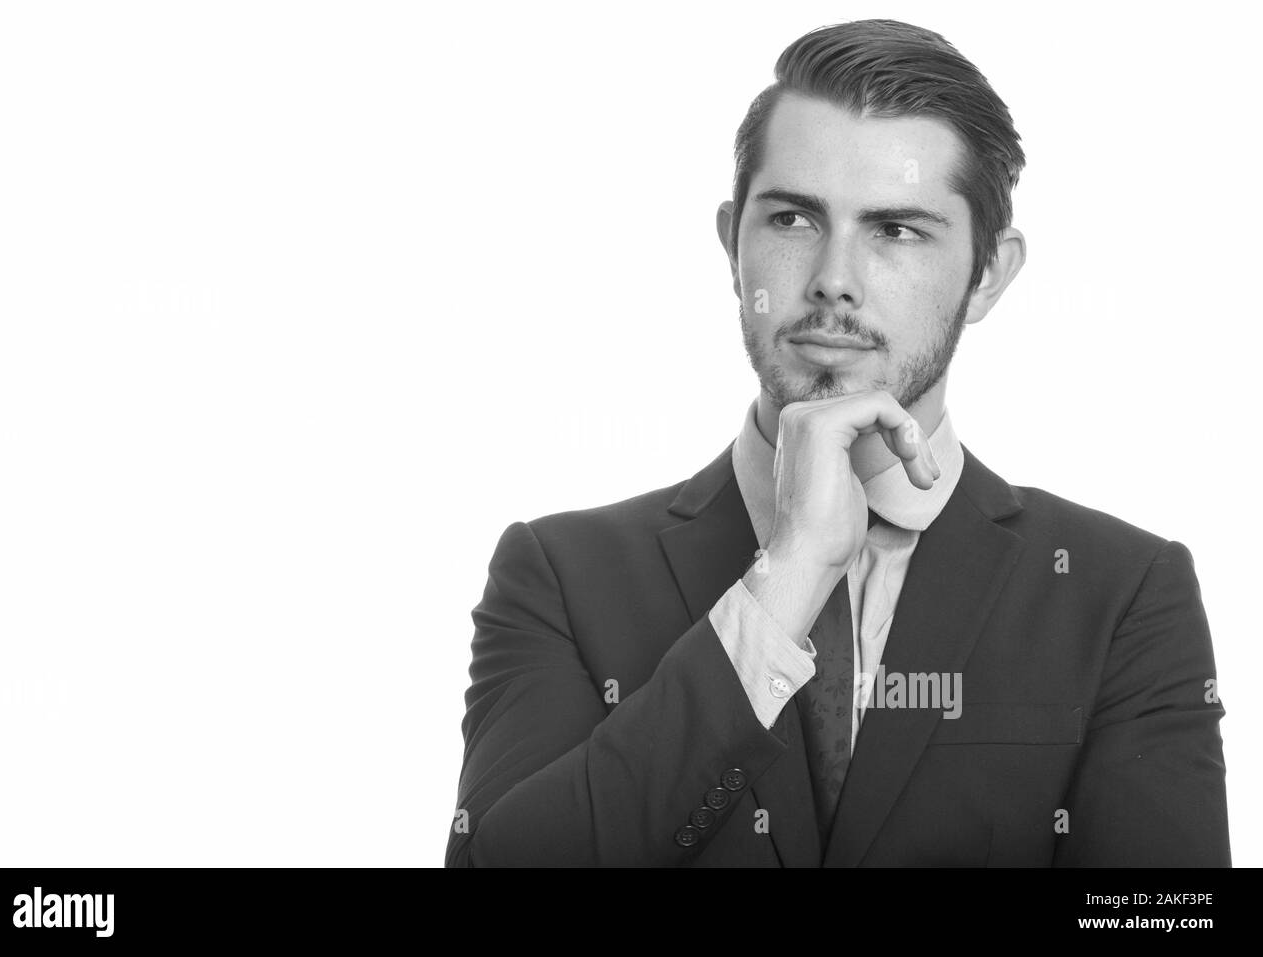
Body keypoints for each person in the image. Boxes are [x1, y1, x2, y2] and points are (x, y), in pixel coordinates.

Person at [445, 18, 1230, 867]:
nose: (832, 280)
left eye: (896, 230)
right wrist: (785, 580)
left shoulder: (1120, 594)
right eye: (791, 219)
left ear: (989, 275)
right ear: (730, 243)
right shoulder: (559, 574)